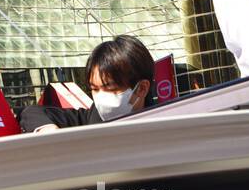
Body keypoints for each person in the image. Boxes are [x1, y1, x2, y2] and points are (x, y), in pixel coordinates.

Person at [21, 35, 155, 132]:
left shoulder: (167, 124)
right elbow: (31, 112)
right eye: (94, 89)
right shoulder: (87, 121)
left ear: (142, 88)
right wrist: (48, 130)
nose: (101, 97)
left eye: (110, 88)